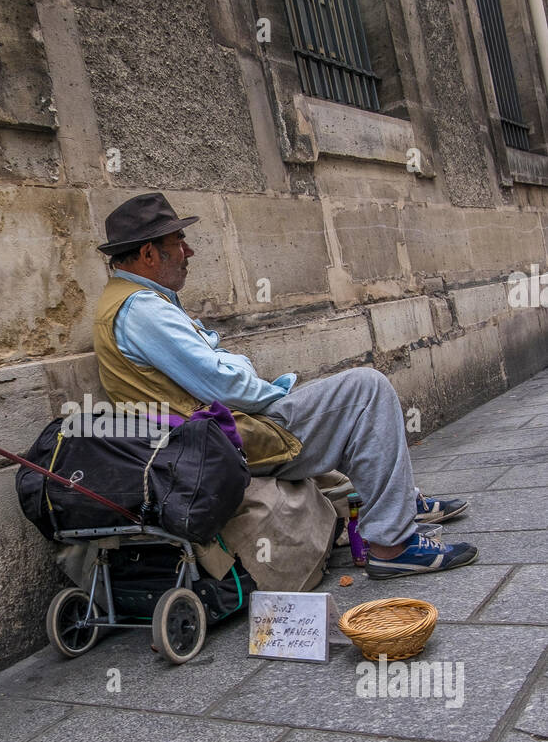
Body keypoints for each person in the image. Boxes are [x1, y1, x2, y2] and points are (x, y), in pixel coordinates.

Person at [94, 192, 477, 580]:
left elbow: (214, 371)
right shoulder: (142, 308)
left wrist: (251, 377)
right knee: (366, 390)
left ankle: (401, 508)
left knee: (341, 404)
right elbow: (224, 382)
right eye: (178, 243)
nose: (188, 251)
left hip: (205, 436)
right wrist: (275, 391)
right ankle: (393, 545)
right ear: (148, 254)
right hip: (216, 443)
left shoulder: (134, 301)